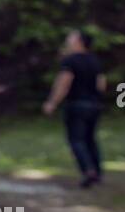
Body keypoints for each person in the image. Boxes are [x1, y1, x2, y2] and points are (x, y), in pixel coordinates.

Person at [42, 29, 107, 188]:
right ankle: (97, 172)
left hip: (76, 105)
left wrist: (52, 102)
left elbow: (64, 83)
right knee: (90, 139)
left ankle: (88, 171)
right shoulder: (94, 60)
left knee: (76, 140)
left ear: (79, 41)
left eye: (71, 37)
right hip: (94, 105)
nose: (68, 39)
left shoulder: (70, 61)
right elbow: (102, 84)